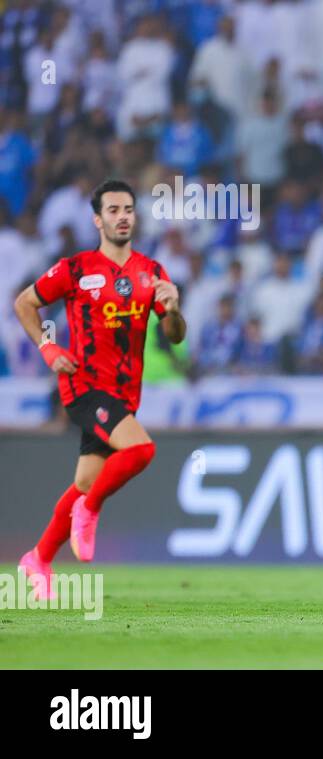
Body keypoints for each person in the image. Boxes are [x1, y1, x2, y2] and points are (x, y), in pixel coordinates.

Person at [12, 179, 187, 599]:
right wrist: (49, 346)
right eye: (113, 210)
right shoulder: (75, 269)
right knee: (142, 450)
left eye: (127, 209)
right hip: (84, 384)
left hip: (124, 395)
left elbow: (175, 336)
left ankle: (38, 558)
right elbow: (24, 303)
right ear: (97, 219)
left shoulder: (152, 273)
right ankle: (88, 513)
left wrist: (175, 309)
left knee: (86, 481)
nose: (122, 216)